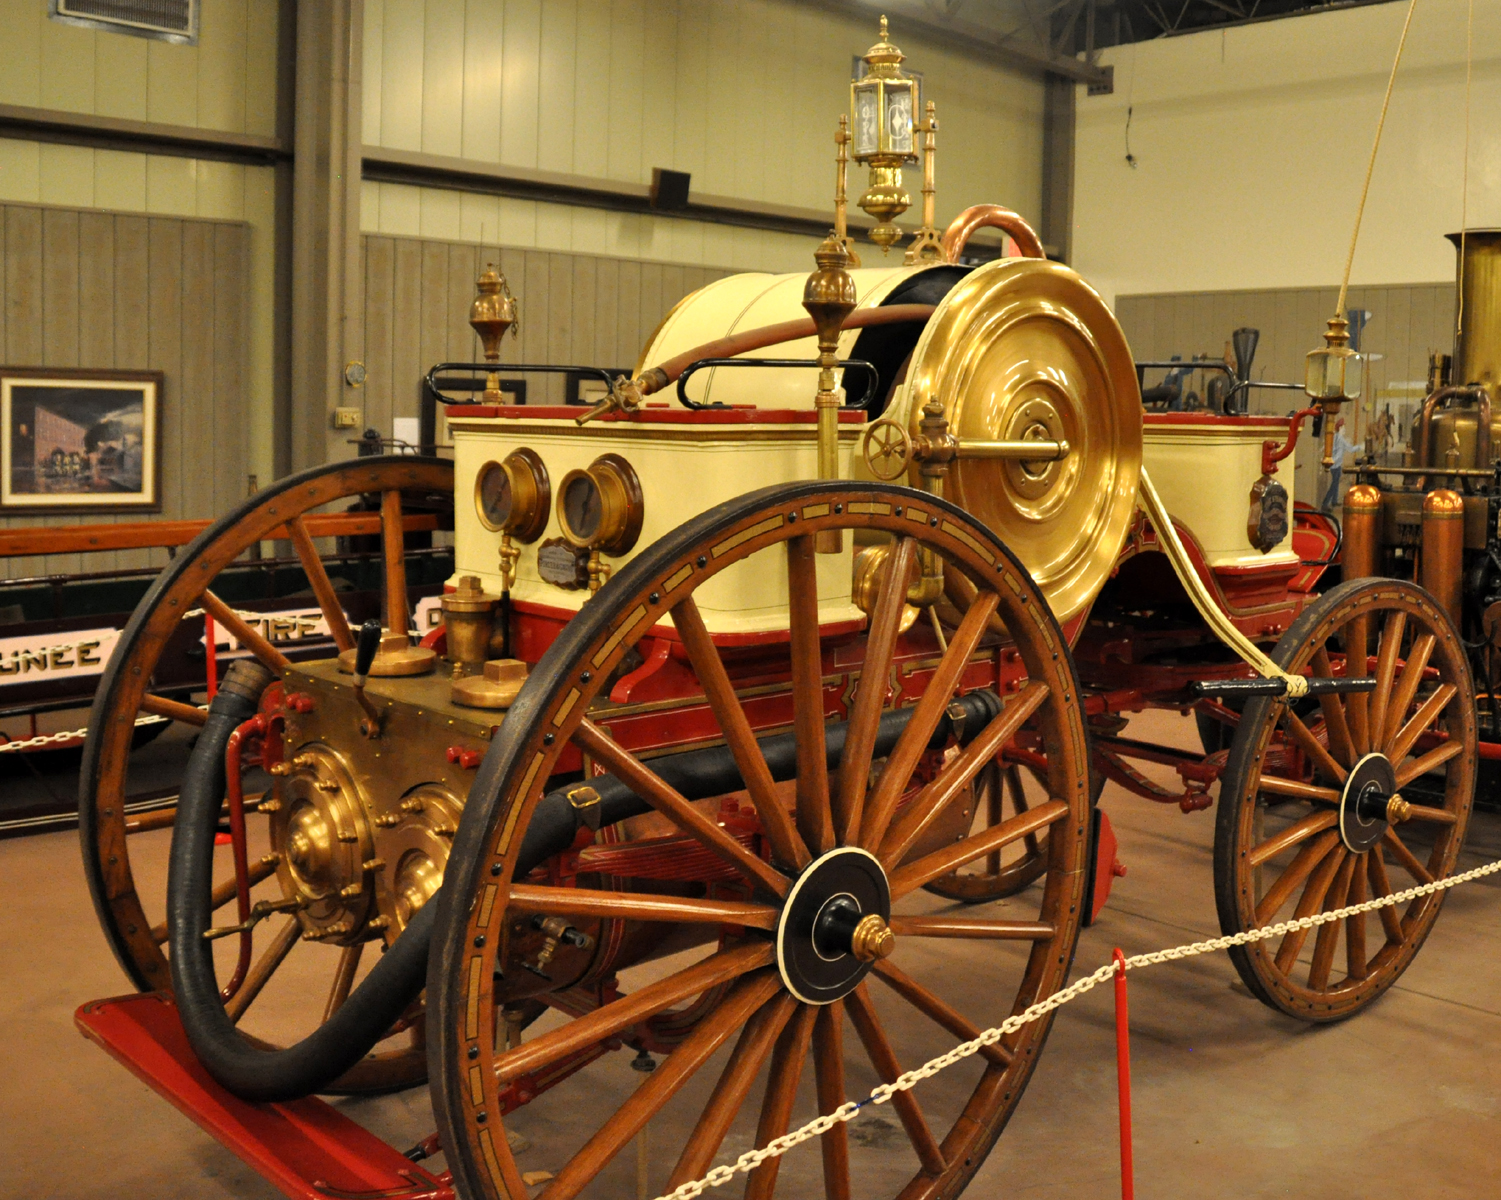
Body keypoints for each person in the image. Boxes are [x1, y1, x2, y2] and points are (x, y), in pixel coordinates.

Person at [1321, 416, 1357, 512]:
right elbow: (1348, 449)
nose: (1344, 429)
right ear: (1340, 428)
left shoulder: (1336, 436)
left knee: (1335, 483)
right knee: (1334, 484)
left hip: (1335, 464)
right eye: (1343, 428)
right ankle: (1325, 503)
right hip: (1335, 465)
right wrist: (1361, 446)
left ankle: (1334, 500)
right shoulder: (1340, 439)